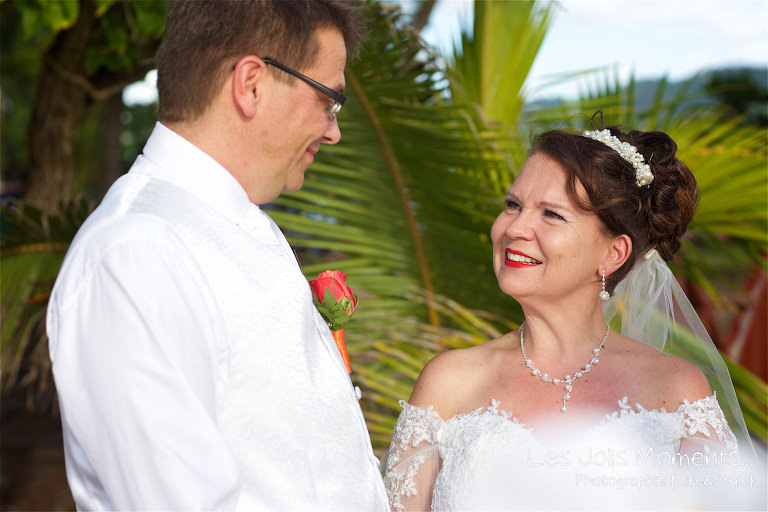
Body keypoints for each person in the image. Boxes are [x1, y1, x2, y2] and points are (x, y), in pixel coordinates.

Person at [46, 1, 388, 510]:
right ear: (251, 83)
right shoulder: (136, 253)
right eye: (328, 101)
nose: (333, 130)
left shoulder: (246, 225)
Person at [383, 124, 762, 510]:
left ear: (612, 253)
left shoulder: (678, 391)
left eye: (551, 214)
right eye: (513, 205)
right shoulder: (449, 382)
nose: (514, 228)